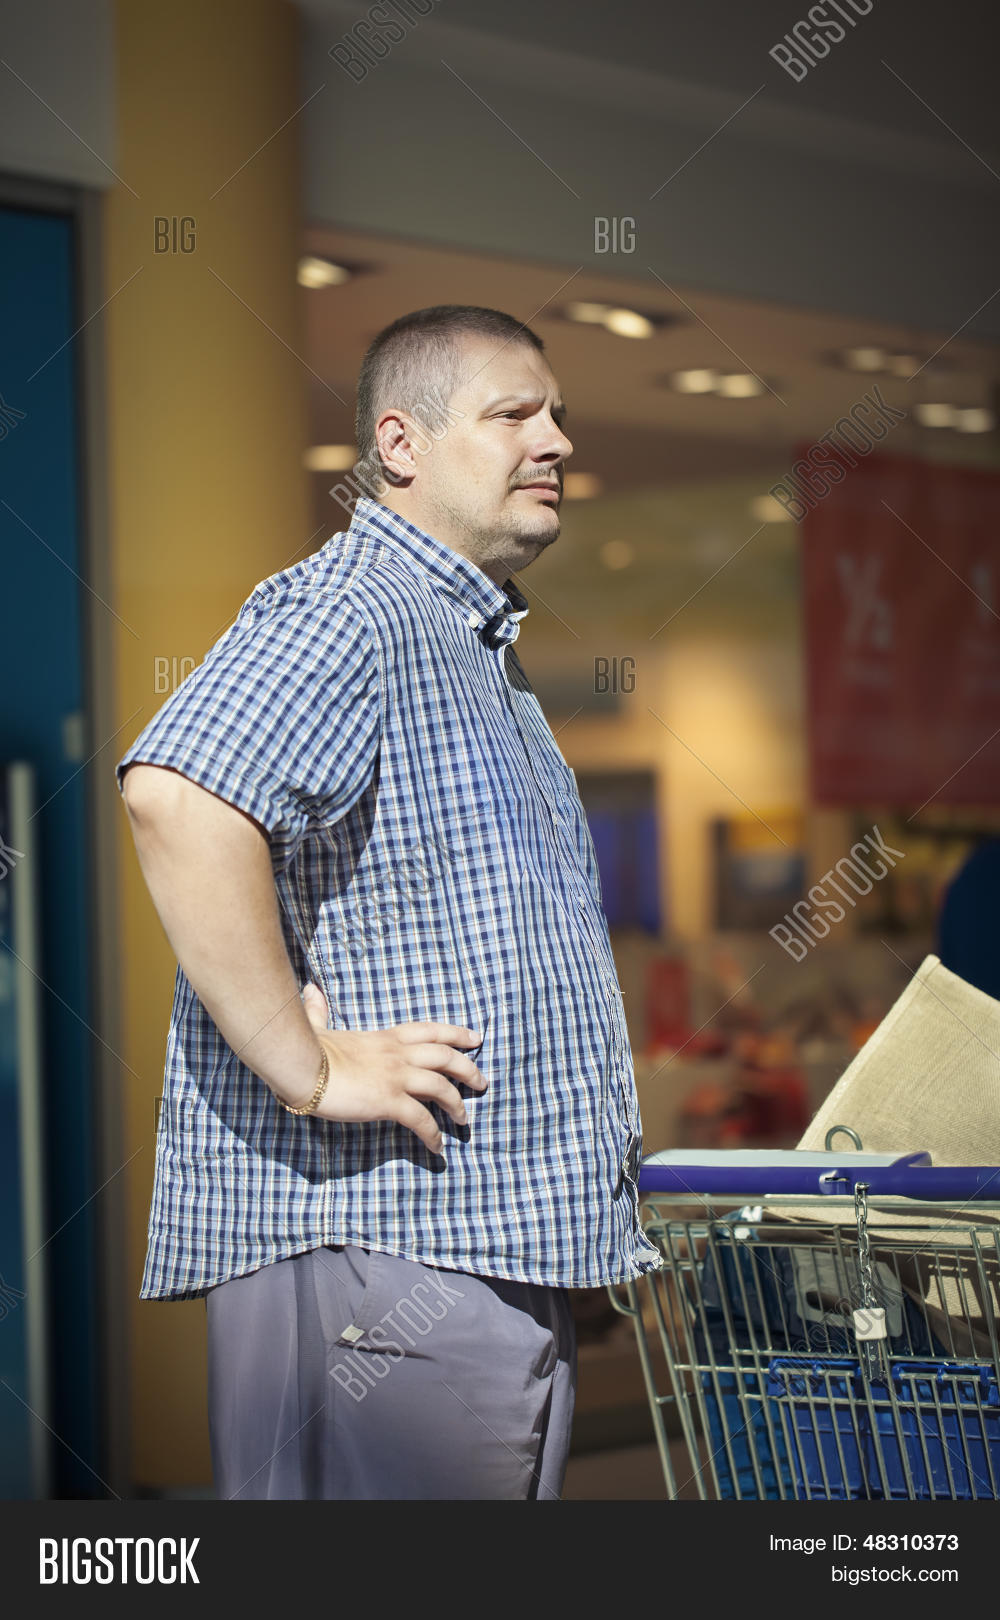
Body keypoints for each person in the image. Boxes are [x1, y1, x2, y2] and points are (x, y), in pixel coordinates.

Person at [116, 304, 661, 1501]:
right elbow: (177, 796)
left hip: (451, 1252)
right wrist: (309, 1070)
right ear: (401, 445)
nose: (556, 438)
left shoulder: (456, 632)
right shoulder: (355, 606)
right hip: (388, 1251)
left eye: (558, 414)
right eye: (514, 413)